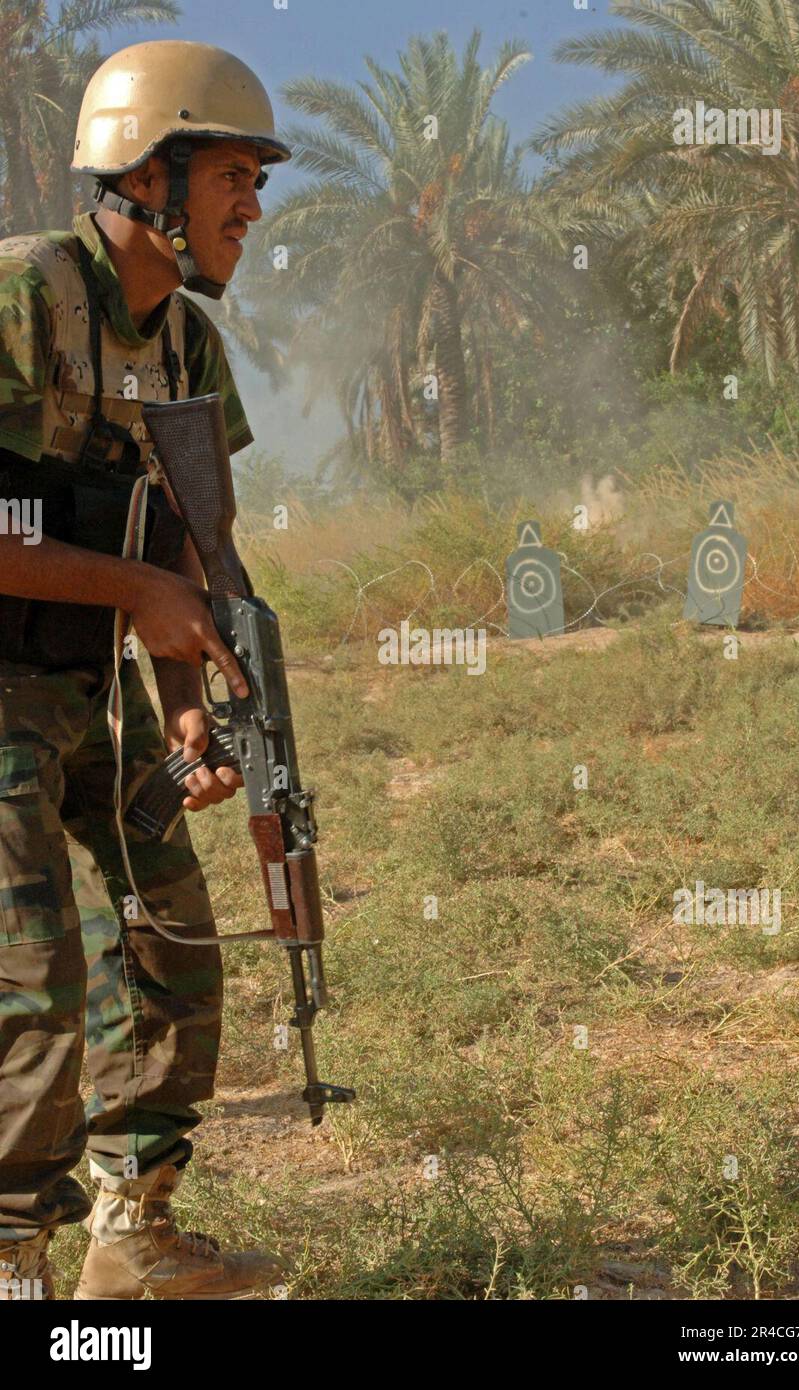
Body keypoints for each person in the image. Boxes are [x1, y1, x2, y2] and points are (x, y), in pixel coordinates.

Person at [0, 39, 292, 1300]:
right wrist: (139, 594)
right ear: (149, 175)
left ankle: (135, 1232)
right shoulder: (26, 297)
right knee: (32, 981)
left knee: (170, 936)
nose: (253, 206)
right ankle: (13, 1256)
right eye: (232, 174)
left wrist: (187, 705)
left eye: (258, 182)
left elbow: (182, 537)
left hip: (89, 692)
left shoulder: (187, 354)